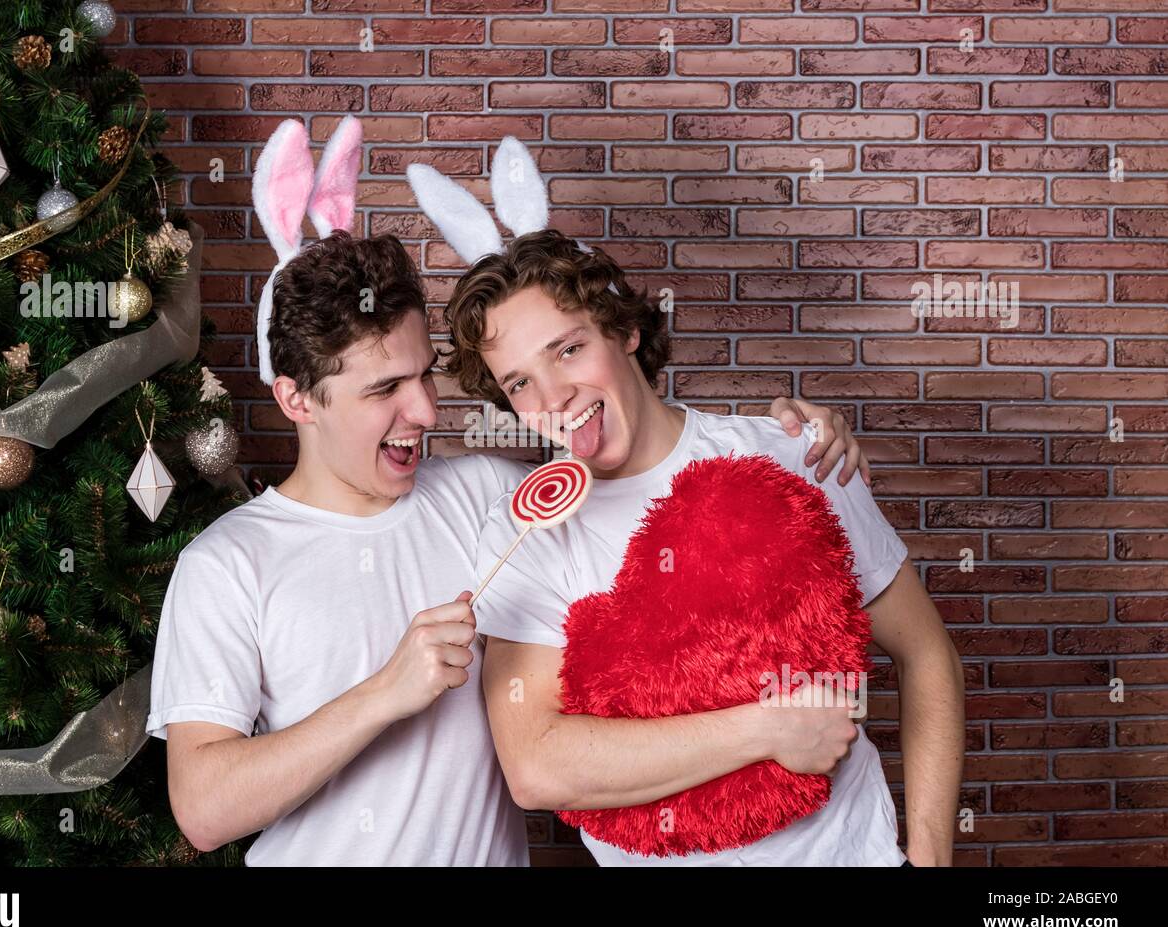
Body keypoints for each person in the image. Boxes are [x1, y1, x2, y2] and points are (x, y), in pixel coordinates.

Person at [144, 229, 867, 865]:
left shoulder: (490, 496)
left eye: (425, 373)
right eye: (385, 389)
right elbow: (205, 810)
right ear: (297, 401)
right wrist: (381, 697)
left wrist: (796, 432)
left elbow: (637, 459)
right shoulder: (227, 564)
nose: (425, 411)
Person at [445, 228, 966, 867]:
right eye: (520, 382)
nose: (554, 398)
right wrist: (766, 731)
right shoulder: (525, 533)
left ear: (625, 333)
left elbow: (926, 655)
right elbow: (538, 766)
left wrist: (932, 856)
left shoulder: (790, 454)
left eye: (570, 349)